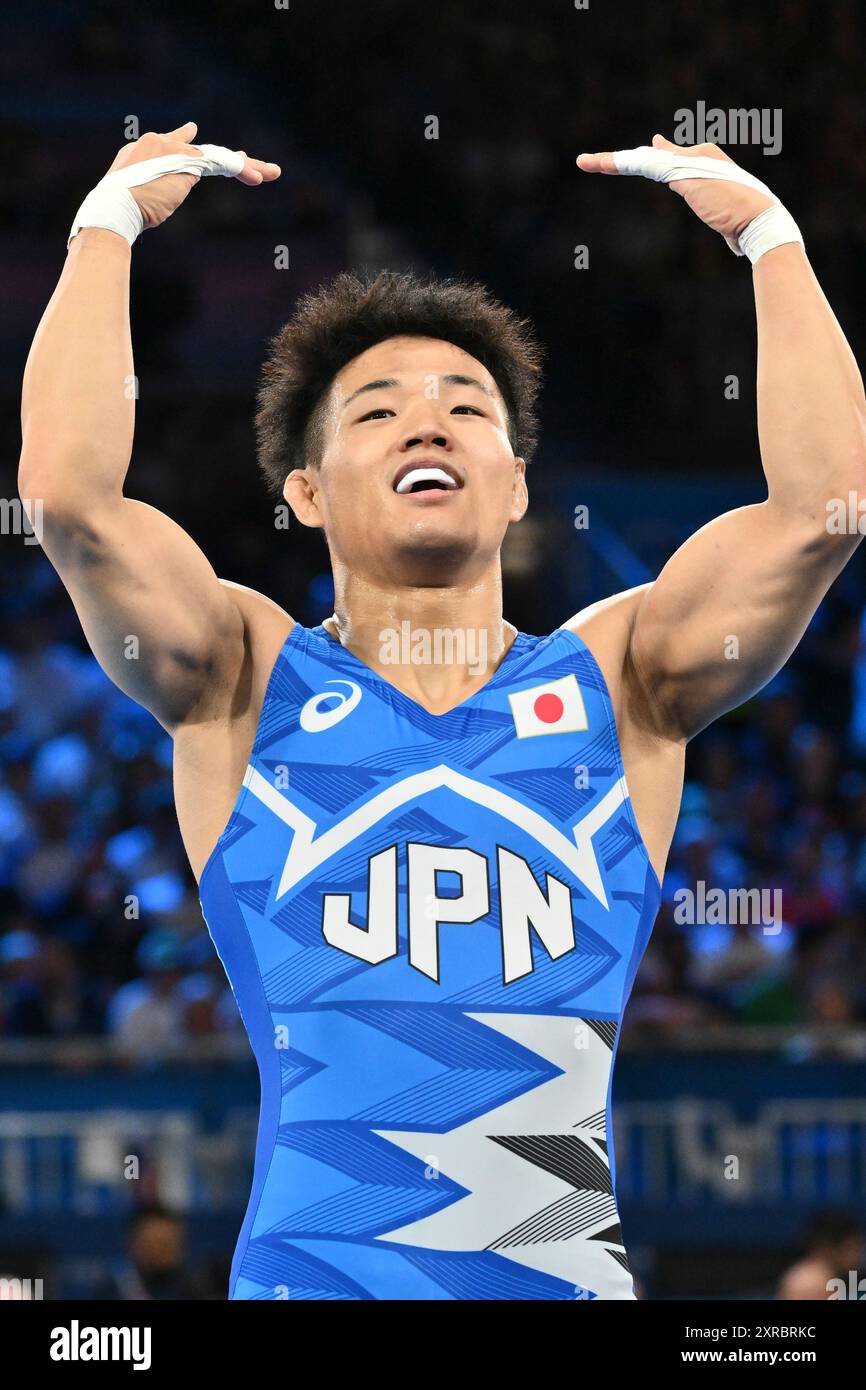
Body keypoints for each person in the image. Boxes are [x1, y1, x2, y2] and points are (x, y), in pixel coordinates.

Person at [18, 124, 866, 1300]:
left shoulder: (622, 679)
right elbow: (68, 501)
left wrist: (768, 237)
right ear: (303, 492)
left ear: (516, 479)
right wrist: (104, 226)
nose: (427, 422)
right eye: (374, 410)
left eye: (466, 406)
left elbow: (823, 512)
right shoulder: (239, 674)